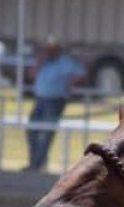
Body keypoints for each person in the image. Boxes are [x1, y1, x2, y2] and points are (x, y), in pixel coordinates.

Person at [25, 36, 85, 172]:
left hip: (55, 101)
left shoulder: (65, 63)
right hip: (40, 100)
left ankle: (37, 164)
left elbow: (80, 73)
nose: (48, 52)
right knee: (32, 129)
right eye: (47, 49)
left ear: (57, 50)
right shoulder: (42, 63)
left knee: (46, 133)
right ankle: (34, 161)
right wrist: (39, 63)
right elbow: (31, 75)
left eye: (51, 50)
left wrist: (72, 82)